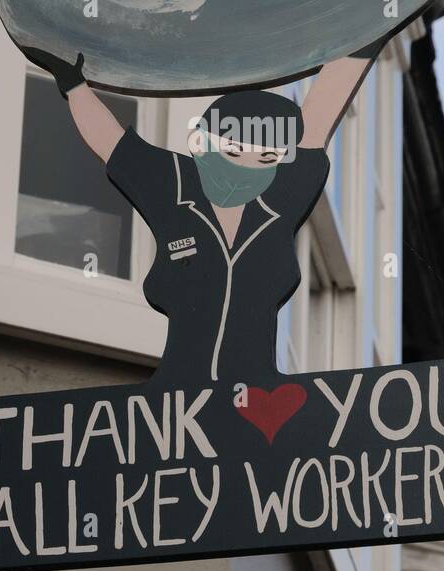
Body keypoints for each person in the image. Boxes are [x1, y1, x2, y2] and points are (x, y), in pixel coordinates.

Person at [21, 45, 381, 388]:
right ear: (202, 145)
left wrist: (370, 25)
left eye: (266, 158)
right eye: (234, 151)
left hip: (253, 392)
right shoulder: (173, 186)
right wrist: (74, 84)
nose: (247, 167)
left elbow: (320, 114)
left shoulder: (280, 203)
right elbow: (112, 142)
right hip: (175, 396)